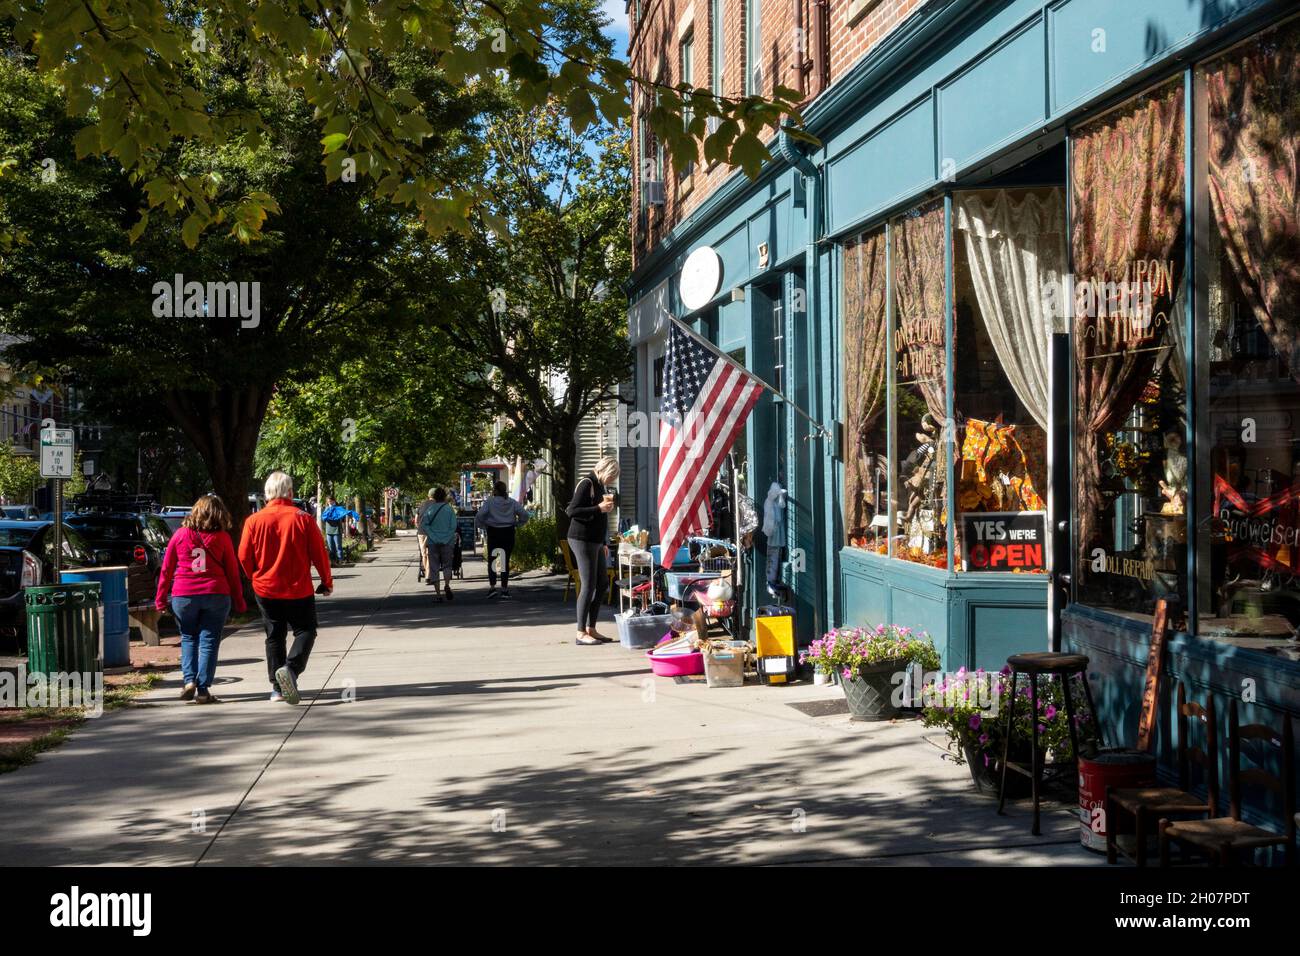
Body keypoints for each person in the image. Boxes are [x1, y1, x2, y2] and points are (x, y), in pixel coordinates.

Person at [238, 471, 334, 704]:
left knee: (274, 635)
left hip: (266, 588)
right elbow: (319, 554)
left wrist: (253, 576)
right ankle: (290, 669)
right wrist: (326, 581)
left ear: (267, 493)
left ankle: (277, 688)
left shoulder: (254, 521)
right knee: (306, 630)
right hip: (297, 588)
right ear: (290, 492)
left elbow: (243, 555)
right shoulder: (303, 519)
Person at [155, 494, 246, 704]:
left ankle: (189, 681)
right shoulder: (222, 538)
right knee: (209, 641)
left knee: (188, 637)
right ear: (219, 514)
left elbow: (166, 570)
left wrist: (160, 599)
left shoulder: (179, 535)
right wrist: (239, 600)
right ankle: (203, 689)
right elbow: (233, 572)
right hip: (216, 593)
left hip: (184, 595)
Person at [566, 455, 619, 646]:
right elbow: (571, 511)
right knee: (588, 584)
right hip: (581, 538)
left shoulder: (600, 486)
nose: (612, 480)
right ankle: (580, 631)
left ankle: (592, 627)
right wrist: (598, 508)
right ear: (604, 470)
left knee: (603, 582)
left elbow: (600, 517)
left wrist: (604, 543)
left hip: (595, 541)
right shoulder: (587, 483)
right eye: (612, 475)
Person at [476, 480, 529, 599]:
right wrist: (517, 523)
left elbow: (479, 516)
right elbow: (524, 515)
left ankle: (492, 587)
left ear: (495, 490)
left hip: (494, 532)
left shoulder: (490, 502)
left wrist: (484, 526)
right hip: (508, 532)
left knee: (492, 560)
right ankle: (504, 589)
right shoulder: (511, 502)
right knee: (505, 560)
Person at [419, 487, 458, 603]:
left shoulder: (430, 510)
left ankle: (438, 594)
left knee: (434, 567)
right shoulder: (449, 509)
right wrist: (446, 537)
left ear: (434, 497)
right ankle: (447, 584)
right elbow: (453, 526)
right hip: (447, 542)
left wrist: (433, 535)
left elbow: (424, 524)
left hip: (433, 542)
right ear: (445, 497)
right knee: (447, 565)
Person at [415, 489, 437, 583]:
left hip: (421, 532)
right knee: (430, 554)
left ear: (428, 495)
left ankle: (427, 574)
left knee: (424, 554)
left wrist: (419, 527)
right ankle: (428, 576)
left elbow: (416, 520)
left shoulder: (422, 504)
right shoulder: (437, 506)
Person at [321, 496, 346, 563]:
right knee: (331, 547)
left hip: (336, 530)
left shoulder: (338, 508)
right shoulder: (326, 509)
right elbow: (323, 518)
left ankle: (340, 560)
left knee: (338, 546)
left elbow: (342, 518)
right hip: (329, 530)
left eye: (331, 501)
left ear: (334, 501)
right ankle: (333, 560)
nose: (330, 503)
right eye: (328, 501)